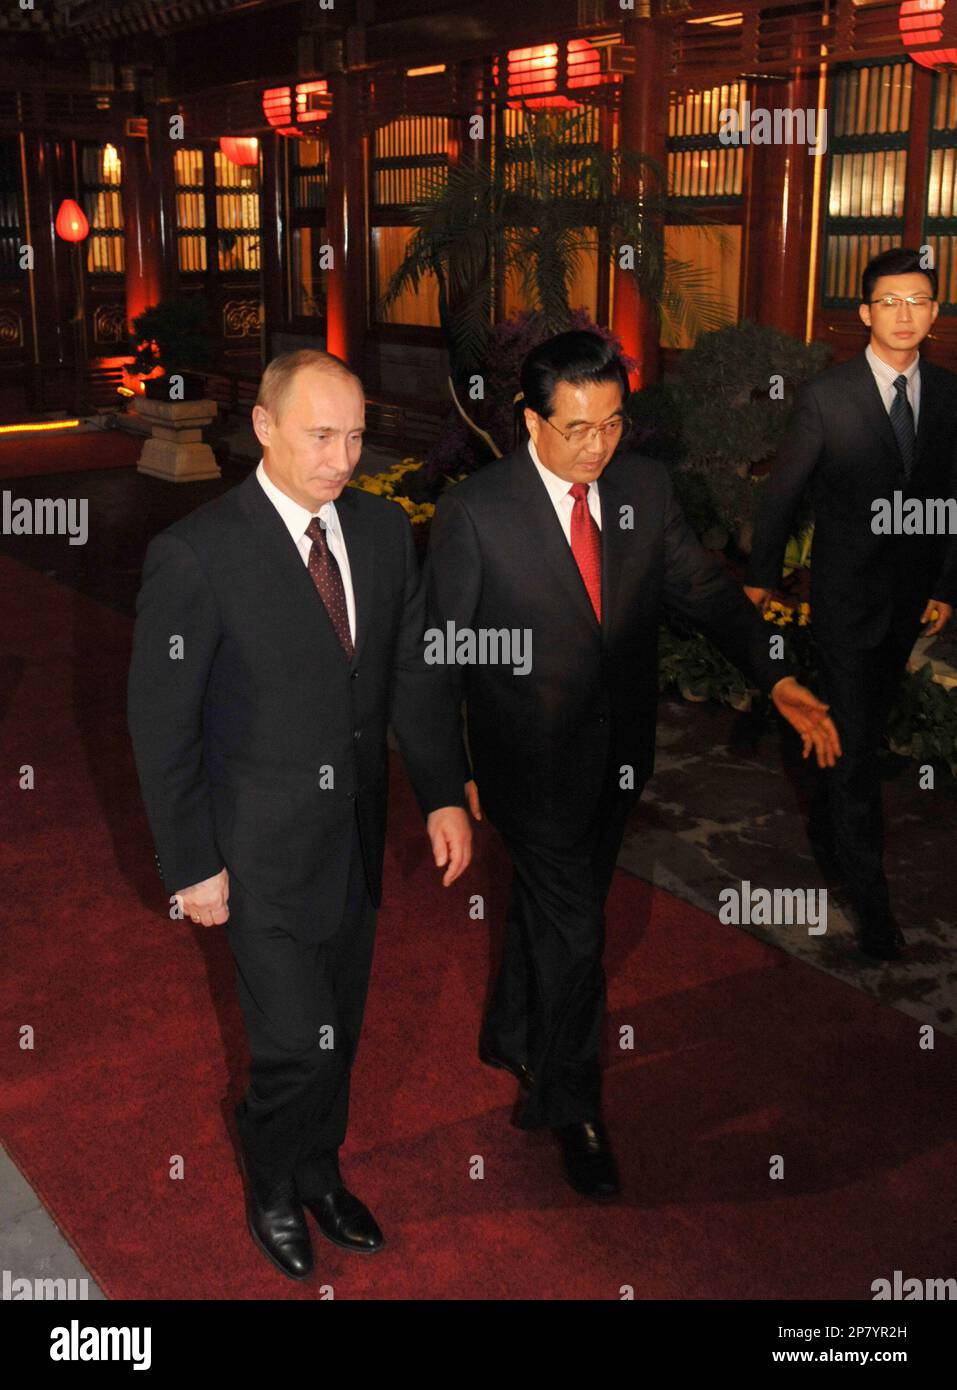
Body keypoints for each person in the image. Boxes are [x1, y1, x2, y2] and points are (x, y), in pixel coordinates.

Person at [425, 330, 841, 1200]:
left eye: (612, 425)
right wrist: (443, 782)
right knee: (578, 928)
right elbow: (440, 655)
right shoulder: (477, 510)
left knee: (555, 907)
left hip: (617, 756)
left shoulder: (644, 493)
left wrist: (781, 677)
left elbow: (711, 599)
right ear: (529, 421)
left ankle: (511, 1030)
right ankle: (570, 1104)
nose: (596, 447)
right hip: (523, 766)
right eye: (575, 429)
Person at [127, 350, 471, 1281]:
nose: (342, 457)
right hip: (256, 853)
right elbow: (160, 727)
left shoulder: (385, 531)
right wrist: (190, 864)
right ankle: (273, 1175)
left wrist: (441, 790)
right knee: (292, 1047)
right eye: (321, 435)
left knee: (341, 1032)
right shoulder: (197, 552)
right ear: (265, 429)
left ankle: (320, 1168)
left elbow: (414, 672)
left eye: (356, 436)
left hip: (353, 839)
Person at [746, 248, 957, 962]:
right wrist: (759, 579)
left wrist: (942, 587)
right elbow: (781, 494)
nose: (904, 315)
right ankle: (872, 904)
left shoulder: (950, 395)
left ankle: (832, 826)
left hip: (908, 602)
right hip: (841, 600)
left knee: (861, 729)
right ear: (864, 313)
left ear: (933, 313)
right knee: (860, 744)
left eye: (918, 301)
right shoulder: (827, 397)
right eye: (889, 302)